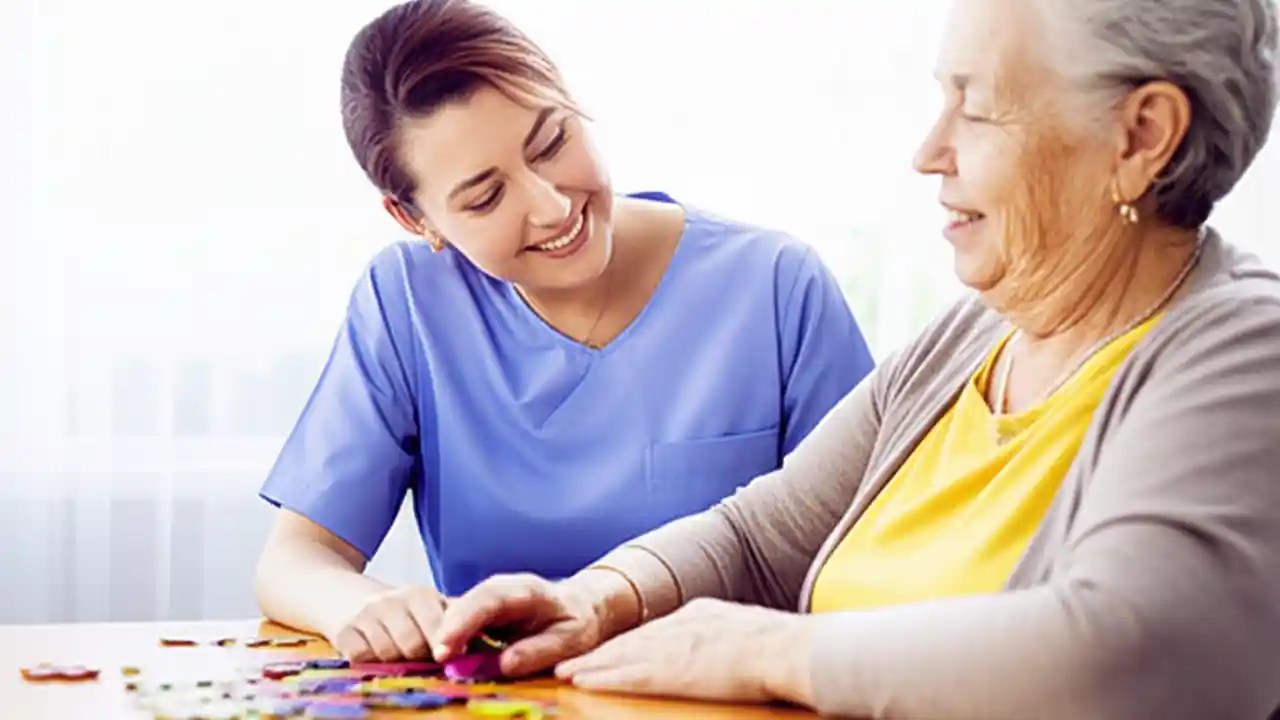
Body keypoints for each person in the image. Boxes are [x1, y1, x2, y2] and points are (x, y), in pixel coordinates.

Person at [428, 0, 1280, 717]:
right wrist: (595, 599)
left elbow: (1134, 656)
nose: (929, 150)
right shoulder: (973, 336)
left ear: (1141, 136)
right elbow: (758, 540)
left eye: (975, 108)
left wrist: (771, 651)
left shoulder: (1242, 350)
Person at [252, 0, 875, 665]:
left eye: (552, 142)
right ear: (415, 221)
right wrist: (359, 604)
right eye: (486, 198)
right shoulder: (407, 304)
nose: (552, 207)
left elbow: (874, 551)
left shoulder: (775, 287)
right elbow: (296, 558)